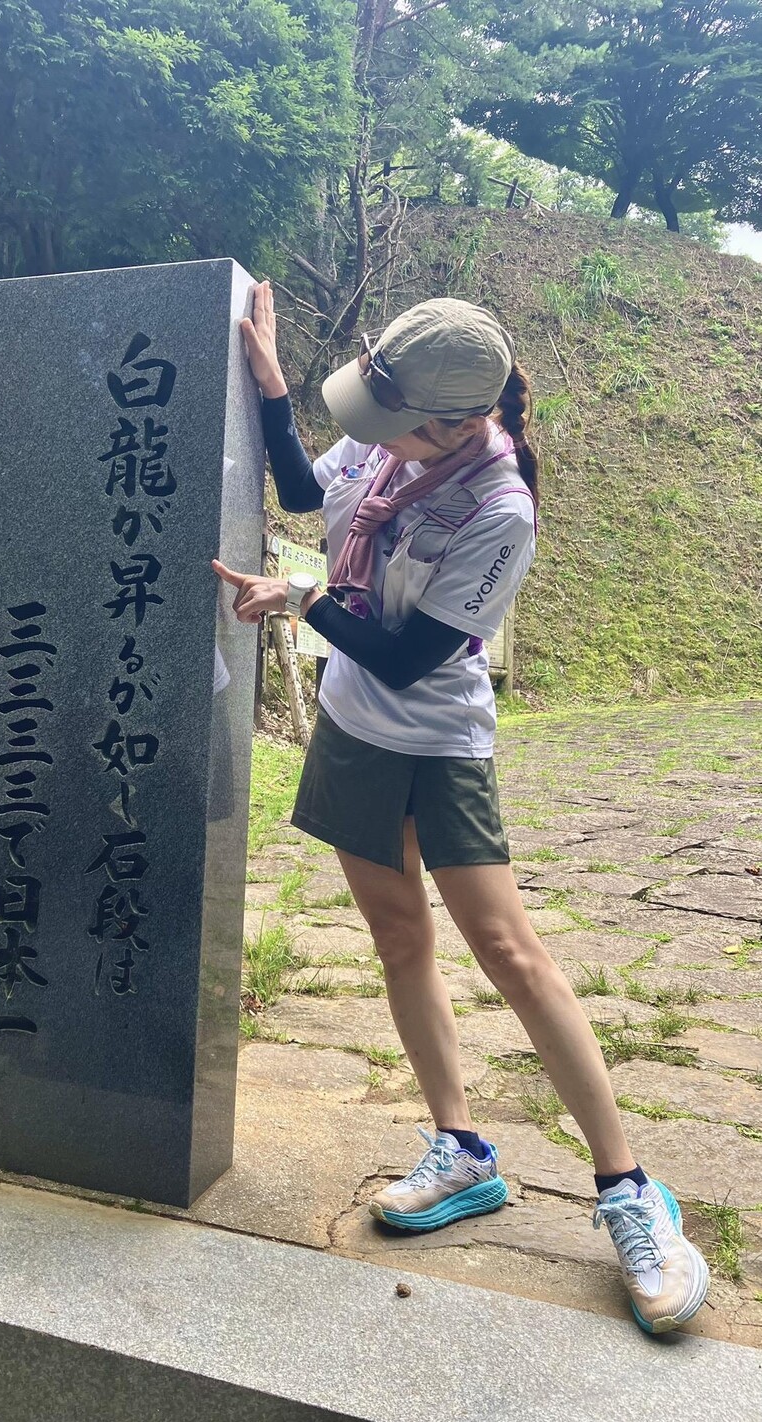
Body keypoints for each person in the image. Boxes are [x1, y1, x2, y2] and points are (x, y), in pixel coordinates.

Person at [213, 281, 710, 1336]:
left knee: (508, 950)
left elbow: (403, 656)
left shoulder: (498, 510)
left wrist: (299, 597)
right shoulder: (388, 442)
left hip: (435, 738)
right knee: (399, 942)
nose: (374, 443)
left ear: (456, 418)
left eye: (394, 426)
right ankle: (462, 1150)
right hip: (351, 729)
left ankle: (629, 1190)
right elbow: (309, 494)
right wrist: (266, 391)